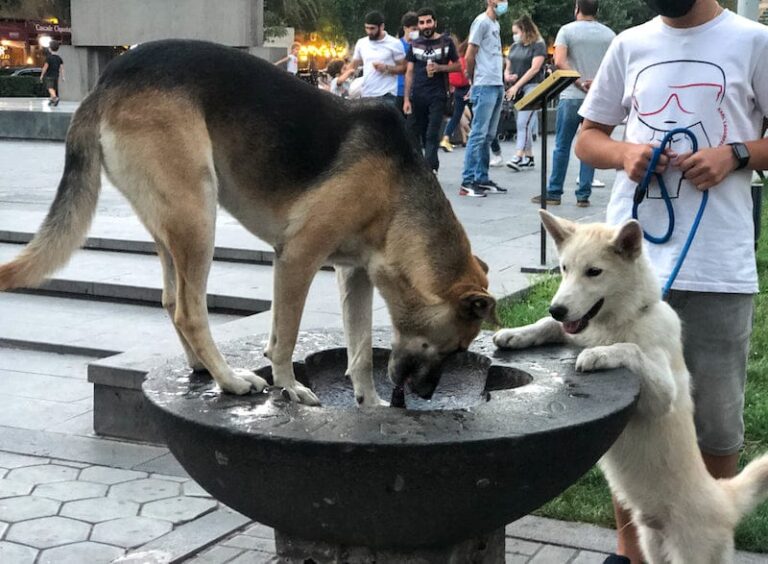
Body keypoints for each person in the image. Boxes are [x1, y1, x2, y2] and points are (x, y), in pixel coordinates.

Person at [574, 1, 768, 562]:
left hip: (717, 267)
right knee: (622, 411)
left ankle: (706, 543)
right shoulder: (629, 44)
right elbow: (590, 137)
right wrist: (624, 152)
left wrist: (736, 154)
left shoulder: (753, 42)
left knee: (712, 417)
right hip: (626, 271)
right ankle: (630, 553)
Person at [535, 0, 615, 207]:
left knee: (562, 145)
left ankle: (554, 192)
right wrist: (595, 83)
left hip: (571, 95)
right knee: (590, 143)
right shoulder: (609, 34)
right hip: (596, 98)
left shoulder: (566, 31)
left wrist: (578, 82)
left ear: (577, 8)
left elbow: (560, 61)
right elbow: (613, 67)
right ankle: (583, 194)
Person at [460, 0, 509, 198]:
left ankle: (481, 177)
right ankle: (468, 180)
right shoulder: (481, 22)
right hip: (484, 83)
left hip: (496, 83)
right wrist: (472, 78)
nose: (503, 3)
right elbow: (470, 53)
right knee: (478, 134)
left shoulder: (495, 24)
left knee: (488, 135)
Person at [403, 8, 460, 174]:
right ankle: (416, 168)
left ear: (435, 22)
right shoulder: (414, 44)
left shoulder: (446, 42)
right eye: (422, 22)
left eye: (428, 21)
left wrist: (440, 67)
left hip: (437, 94)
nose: (425, 25)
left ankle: (430, 167)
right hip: (417, 95)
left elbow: (457, 65)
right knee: (413, 133)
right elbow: (409, 72)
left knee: (432, 133)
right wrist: (407, 99)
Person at [504, 15, 546, 172]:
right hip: (517, 86)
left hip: (532, 86)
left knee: (523, 122)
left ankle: (518, 155)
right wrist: (507, 75)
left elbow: (535, 68)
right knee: (523, 124)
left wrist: (517, 85)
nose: (515, 35)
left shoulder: (538, 45)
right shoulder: (515, 46)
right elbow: (508, 64)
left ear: (524, 31)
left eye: (517, 32)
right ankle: (528, 157)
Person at [350, 11, 407, 105]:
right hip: (367, 94)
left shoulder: (394, 43)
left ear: (382, 27)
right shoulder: (361, 43)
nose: (369, 32)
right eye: (367, 28)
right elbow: (353, 66)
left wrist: (386, 68)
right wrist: (341, 77)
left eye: (372, 28)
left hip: (387, 95)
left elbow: (404, 68)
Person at [441, 39, 471, 152]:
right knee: (476, 115)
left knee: (457, 115)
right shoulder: (469, 59)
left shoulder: (455, 60)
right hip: (469, 87)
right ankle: (471, 135)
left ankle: (446, 137)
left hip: (457, 90)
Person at [396, 12, 419, 111]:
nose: (416, 32)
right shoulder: (396, 45)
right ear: (405, 28)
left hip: (417, 91)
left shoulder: (421, 46)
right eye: (414, 29)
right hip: (399, 91)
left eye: (418, 30)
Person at [39, 40, 63, 107]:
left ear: (50, 48)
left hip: (49, 75)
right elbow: (61, 68)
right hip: (56, 76)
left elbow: (45, 67)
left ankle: (55, 98)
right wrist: (63, 76)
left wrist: (42, 75)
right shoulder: (59, 58)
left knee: (49, 88)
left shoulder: (48, 58)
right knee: (54, 88)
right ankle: (52, 100)